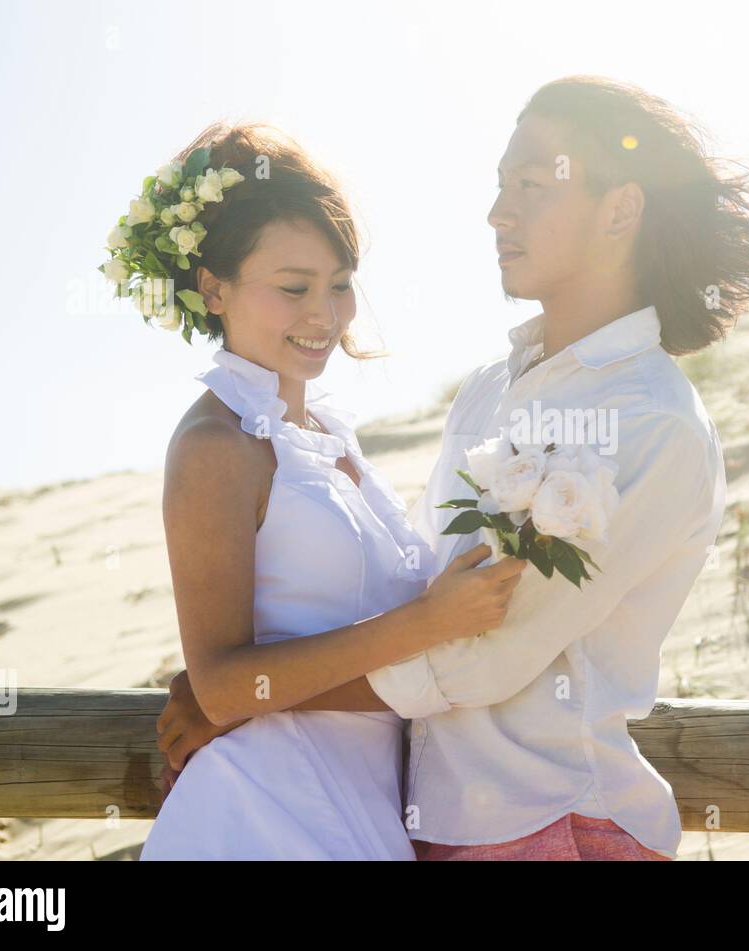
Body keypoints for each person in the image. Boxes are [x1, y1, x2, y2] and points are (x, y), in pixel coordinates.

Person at [160, 76, 749, 861]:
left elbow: (480, 652)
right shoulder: (489, 389)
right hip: (419, 823)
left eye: (530, 185)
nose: (497, 213)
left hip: (552, 822)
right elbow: (430, 593)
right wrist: (242, 688)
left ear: (620, 210)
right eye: (497, 186)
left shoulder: (651, 419)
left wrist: (249, 699)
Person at [125, 121, 527, 860]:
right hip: (262, 812)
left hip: (366, 808)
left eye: (339, 286)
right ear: (212, 287)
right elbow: (219, 687)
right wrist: (430, 624)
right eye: (293, 288)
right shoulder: (215, 445)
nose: (325, 316)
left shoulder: (331, 437)